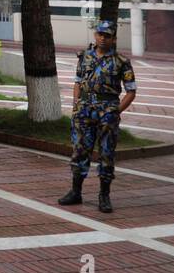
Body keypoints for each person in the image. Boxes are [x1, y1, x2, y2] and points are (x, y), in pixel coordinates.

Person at [57, 19, 136, 213]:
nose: (103, 38)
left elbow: (131, 91)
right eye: (100, 34)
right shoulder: (84, 57)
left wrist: (116, 111)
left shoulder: (121, 62)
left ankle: (104, 195)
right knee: (79, 151)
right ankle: (76, 192)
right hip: (84, 111)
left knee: (106, 153)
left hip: (107, 112)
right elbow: (77, 81)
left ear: (114, 38)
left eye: (107, 36)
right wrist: (76, 104)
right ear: (95, 35)